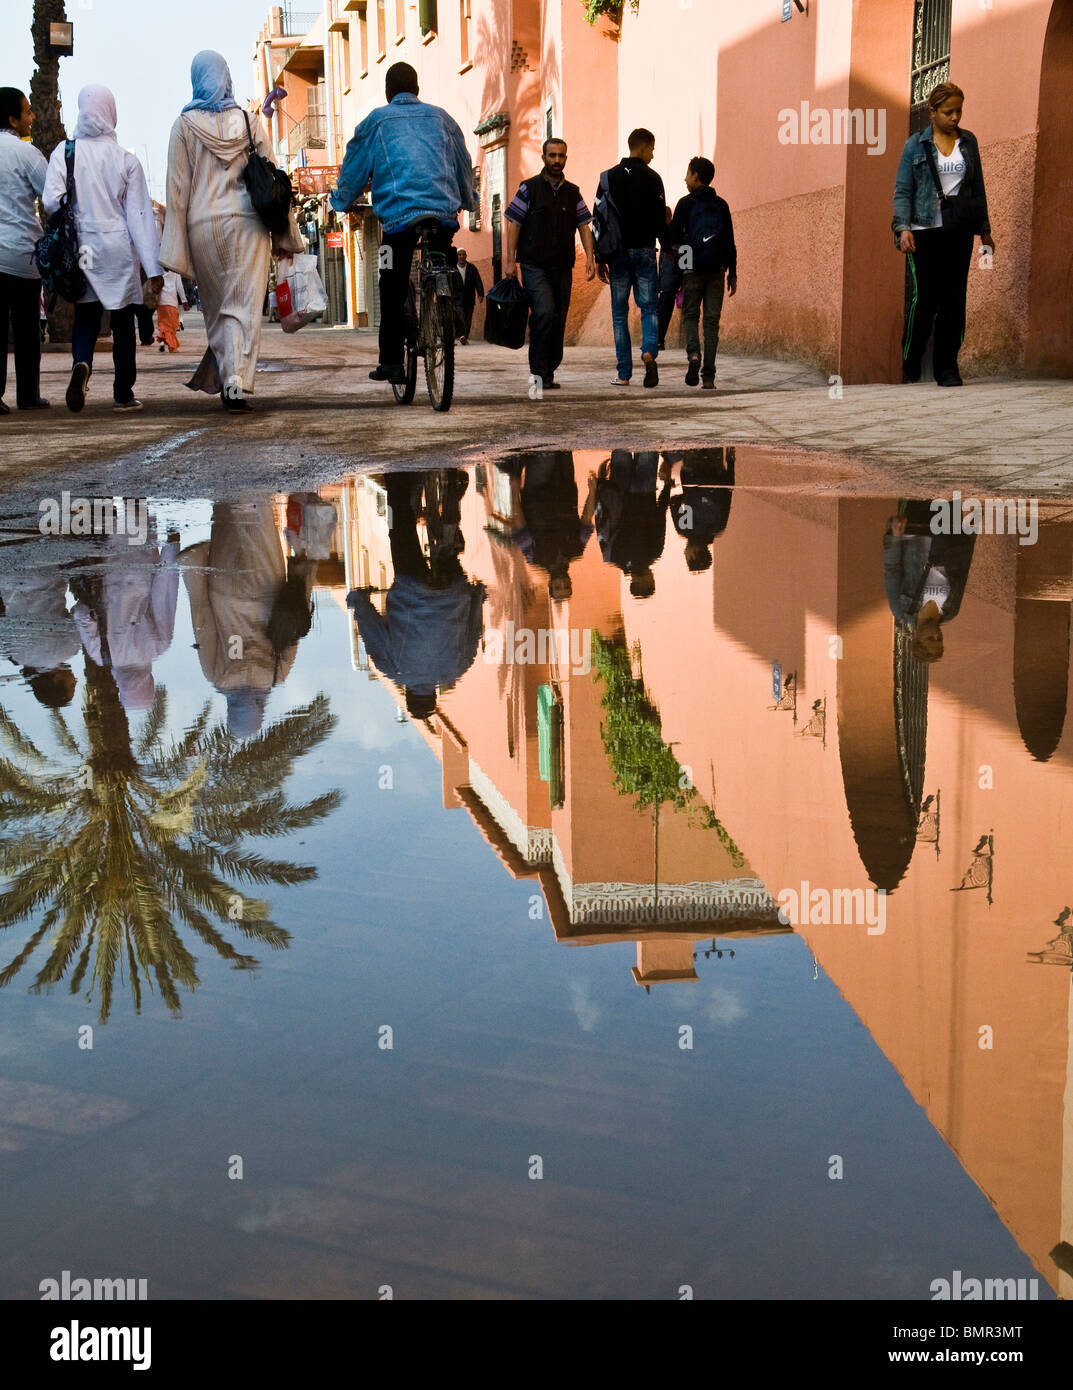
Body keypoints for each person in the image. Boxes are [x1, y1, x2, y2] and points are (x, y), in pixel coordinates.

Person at [160, 51, 303, 413]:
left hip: (203, 225)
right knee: (245, 304)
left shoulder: (183, 125)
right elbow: (274, 178)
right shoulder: (249, 120)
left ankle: (230, 377)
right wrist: (286, 237)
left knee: (218, 306)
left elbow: (177, 191)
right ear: (226, 77)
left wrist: (173, 249)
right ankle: (237, 378)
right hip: (249, 224)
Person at [330, 62, 473, 386]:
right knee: (442, 256)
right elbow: (463, 163)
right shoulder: (443, 119)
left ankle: (392, 363)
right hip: (442, 217)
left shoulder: (376, 122)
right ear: (418, 89)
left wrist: (341, 200)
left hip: (395, 223)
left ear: (388, 92)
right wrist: (468, 200)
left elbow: (353, 170)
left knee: (389, 283)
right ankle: (446, 304)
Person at [42, 86, 162, 414]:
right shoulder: (126, 159)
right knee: (123, 321)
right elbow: (139, 217)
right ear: (110, 111)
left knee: (87, 315)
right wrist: (153, 269)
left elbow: (51, 201)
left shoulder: (64, 152)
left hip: (84, 248)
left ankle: (82, 364)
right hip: (118, 249)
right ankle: (123, 393)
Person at [347, 471, 485, 719]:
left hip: (453, 591)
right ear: (407, 693)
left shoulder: (458, 668)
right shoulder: (394, 669)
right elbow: (371, 630)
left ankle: (452, 505)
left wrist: (477, 595)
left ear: (434, 693)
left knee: (450, 560)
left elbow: (474, 629)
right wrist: (358, 600)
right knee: (400, 532)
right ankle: (398, 481)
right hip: (410, 587)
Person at [893, 81, 993, 387]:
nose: (955, 117)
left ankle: (947, 368)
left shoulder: (968, 141)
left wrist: (985, 231)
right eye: (948, 112)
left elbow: (978, 189)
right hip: (924, 231)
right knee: (925, 300)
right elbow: (903, 190)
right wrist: (903, 227)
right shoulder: (915, 146)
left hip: (958, 229)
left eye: (959, 111)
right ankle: (910, 362)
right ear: (932, 112)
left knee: (954, 300)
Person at [504, 138, 596, 392]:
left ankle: (549, 370)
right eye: (552, 155)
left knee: (558, 319)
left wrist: (590, 257)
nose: (557, 160)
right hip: (534, 266)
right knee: (544, 312)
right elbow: (514, 224)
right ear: (543, 157)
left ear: (566, 158)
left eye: (561, 156)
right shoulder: (528, 189)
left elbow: (584, 225)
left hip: (563, 267)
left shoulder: (573, 192)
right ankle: (538, 372)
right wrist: (510, 261)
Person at [596, 129, 667, 388]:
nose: (653, 154)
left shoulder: (608, 177)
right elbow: (661, 218)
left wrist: (598, 256)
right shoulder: (653, 178)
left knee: (619, 314)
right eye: (652, 149)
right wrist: (668, 245)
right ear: (644, 146)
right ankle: (649, 349)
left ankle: (624, 373)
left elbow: (599, 219)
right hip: (646, 251)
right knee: (648, 307)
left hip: (617, 254)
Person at [667, 156, 736, 390]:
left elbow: (674, 238)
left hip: (691, 266)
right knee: (711, 322)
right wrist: (733, 273)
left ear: (696, 176)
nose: (685, 178)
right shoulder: (722, 204)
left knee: (690, 315)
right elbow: (729, 241)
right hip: (717, 269)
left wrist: (678, 262)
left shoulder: (685, 204)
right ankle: (709, 377)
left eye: (687, 173)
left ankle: (694, 355)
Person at [0, 87, 49, 413]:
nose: (32, 117)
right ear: (13, 119)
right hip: (20, 254)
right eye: (28, 111)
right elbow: (51, 195)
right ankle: (28, 395)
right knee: (28, 328)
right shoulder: (26, 153)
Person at [883, 500, 975, 663]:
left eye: (931, 639)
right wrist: (970, 537)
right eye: (939, 640)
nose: (937, 635)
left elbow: (892, 569)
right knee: (949, 489)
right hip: (949, 537)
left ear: (916, 639)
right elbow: (961, 573)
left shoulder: (901, 608)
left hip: (918, 531)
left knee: (922, 488)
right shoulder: (950, 611)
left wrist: (895, 539)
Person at [502, 452, 596, 602]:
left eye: (558, 587)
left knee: (546, 454)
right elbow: (586, 521)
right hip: (565, 488)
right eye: (566, 586)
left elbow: (520, 526)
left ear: (550, 584)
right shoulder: (577, 549)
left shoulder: (534, 556)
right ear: (571, 583)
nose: (562, 583)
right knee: (564, 448)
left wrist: (514, 491)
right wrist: (592, 492)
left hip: (536, 492)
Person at [594, 451, 671, 598]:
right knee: (621, 445)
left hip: (645, 492)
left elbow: (660, 516)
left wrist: (666, 487)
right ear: (632, 582)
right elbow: (601, 522)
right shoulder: (613, 556)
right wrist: (601, 487)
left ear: (648, 581)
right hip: (620, 492)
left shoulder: (654, 553)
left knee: (647, 443)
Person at [661, 448, 735, 572]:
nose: (685, 553)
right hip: (692, 474)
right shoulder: (685, 529)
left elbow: (727, 495)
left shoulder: (718, 527)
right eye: (688, 557)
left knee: (710, 438)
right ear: (694, 554)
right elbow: (674, 503)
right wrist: (687, 497)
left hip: (715, 472)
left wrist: (731, 462)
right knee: (692, 441)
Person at [455, 248, 484, 344]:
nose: (462, 256)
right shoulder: (453, 269)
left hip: (469, 298)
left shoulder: (472, 268)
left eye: (463, 254)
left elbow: (478, 281)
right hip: (457, 298)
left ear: (466, 256)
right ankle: (462, 335)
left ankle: (465, 336)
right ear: (457, 256)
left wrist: (480, 293)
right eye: (459, 255)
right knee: (460, 316)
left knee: (468, 319)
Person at [155, 269, 189, 352]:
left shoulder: (158, 270)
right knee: (172, 325)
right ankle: (172, 346)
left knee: (163, 324)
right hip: (171, 301)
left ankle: (162, 342)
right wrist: (184, 301)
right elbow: (179, 287)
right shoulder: (175, 271)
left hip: (160, 302)